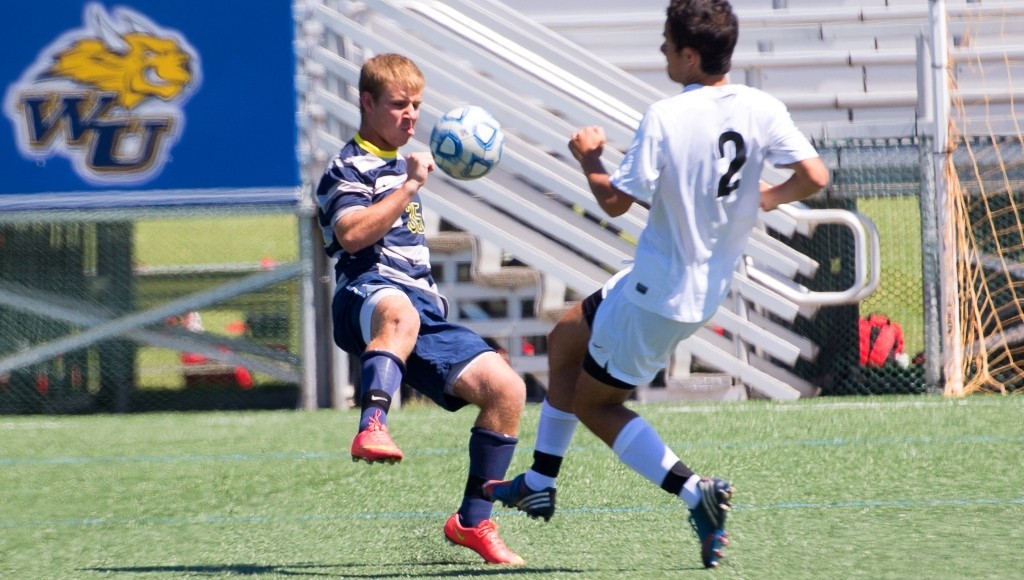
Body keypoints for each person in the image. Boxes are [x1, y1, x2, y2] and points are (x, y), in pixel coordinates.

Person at [483, 0, 829, 569]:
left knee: (598, 406)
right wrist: (764, 198)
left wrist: (589, 158)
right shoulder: (762, 107)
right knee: (565, 338)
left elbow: (615, 201)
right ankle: (541, 481)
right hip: (683, 284)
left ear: (691, 55)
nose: (662, 51)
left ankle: (698, 493)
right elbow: (814, 176)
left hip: (658, 295)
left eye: (667, 44)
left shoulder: (667, 116)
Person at [314, 53, 528, 566]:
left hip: (422, 308)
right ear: (367, 102)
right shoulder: (345, 167)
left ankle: (473, 521)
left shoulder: (402, 162)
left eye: (416, 106)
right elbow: (350, 234)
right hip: (364, 293)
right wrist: (409, 186)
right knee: (400, 314)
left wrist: (408, 178)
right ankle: (372, 423)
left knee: (508, 390)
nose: (410, 116)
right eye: (398, 105)